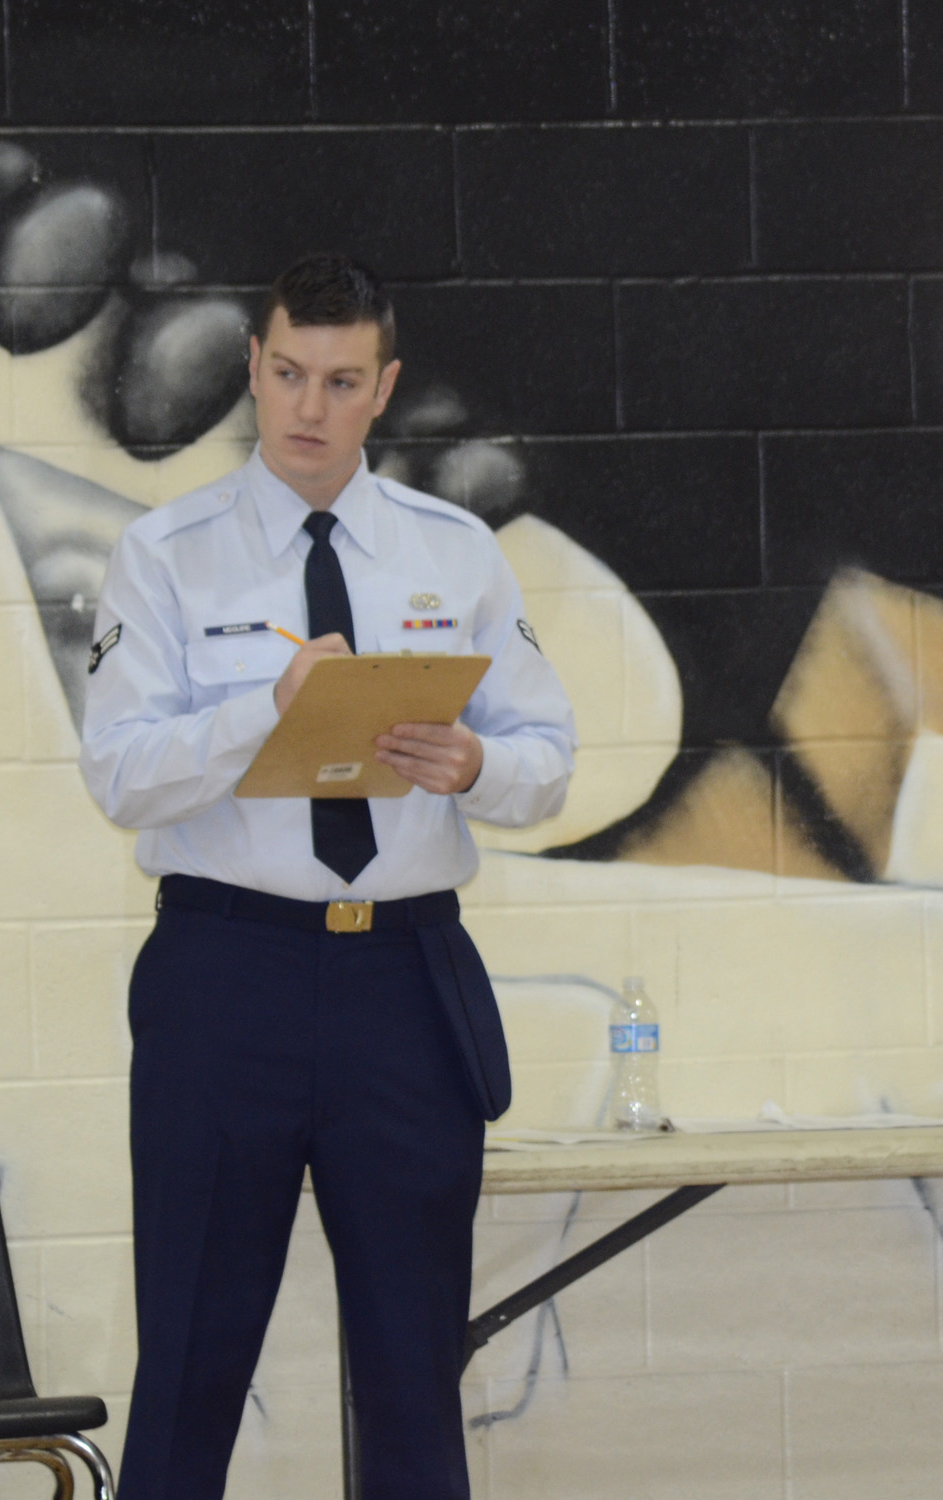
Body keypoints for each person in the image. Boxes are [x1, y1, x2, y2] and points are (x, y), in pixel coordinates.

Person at [79, 253, 576, 1499]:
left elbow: (549, 759)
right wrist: (266, 709)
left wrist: (470, 764)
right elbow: (121, 776)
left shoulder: (452, 552)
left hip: (402, 981)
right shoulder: (165, 554)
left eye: (341, 381)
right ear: (253, 369)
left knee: (414, 1373)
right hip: (224, 974)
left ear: (384, 388)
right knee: (194, 1358)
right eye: (289, 374)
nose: (309, 407)